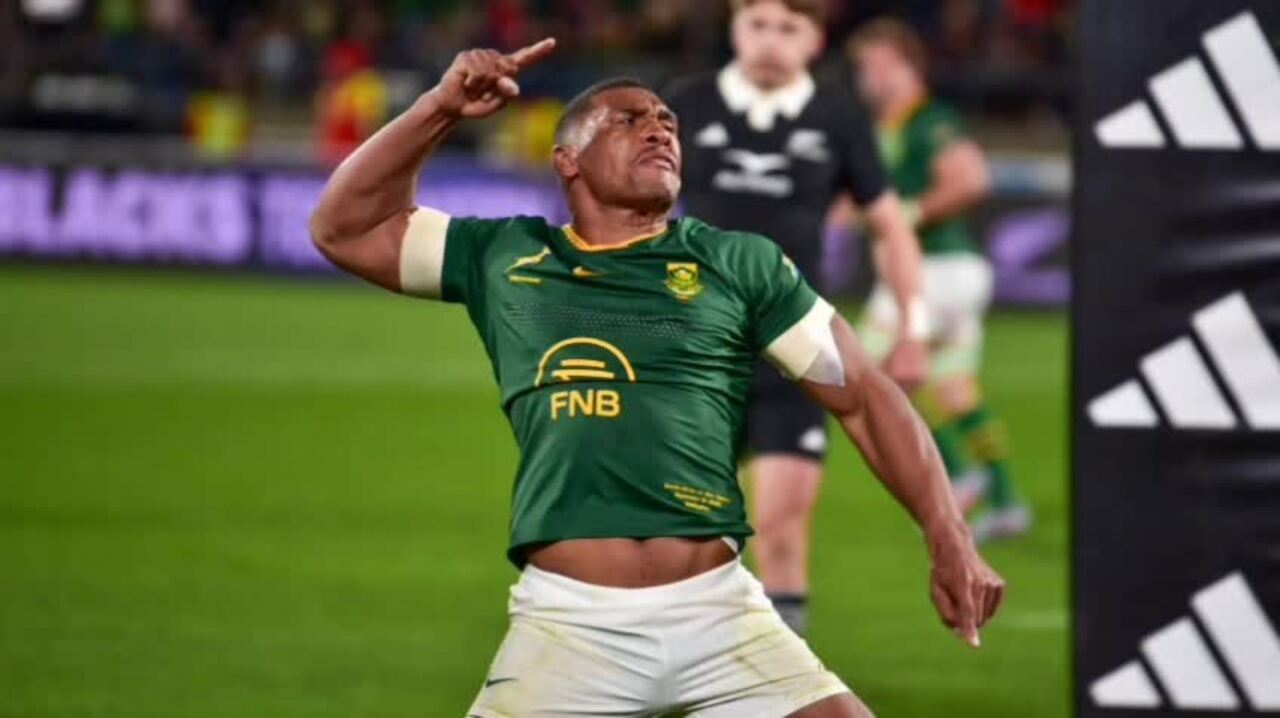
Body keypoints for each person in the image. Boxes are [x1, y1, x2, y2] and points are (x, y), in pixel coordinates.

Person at [310, 37, 1005, 717]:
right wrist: (439, 108)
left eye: (667, 121)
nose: (658, 129)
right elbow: (344, 229)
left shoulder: (740, 263)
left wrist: (948, 533)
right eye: (627, 119)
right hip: (569, 628)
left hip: (721, 614)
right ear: (567, 160)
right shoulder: (503, 255)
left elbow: (865, 397)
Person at [663, 0, 930, 635]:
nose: (770, 41)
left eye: (789, 28)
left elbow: (891, 227)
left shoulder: (838, 116)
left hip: (795, 347)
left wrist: (914, 329)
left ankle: (780, 679)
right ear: (735, 27)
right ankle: (677, 664)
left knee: (782, 529)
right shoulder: (686, 103)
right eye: (757, 24)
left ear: (816, 40)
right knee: (681, 531)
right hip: (694, 347)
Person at [848, 18, 1030, 541]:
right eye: (865, 66)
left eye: (880, 64)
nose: (870, 76)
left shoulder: (929, 120)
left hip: (935, 271)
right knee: (954, 390)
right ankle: (1007, 501)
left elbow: (972, 178)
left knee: (863, 372)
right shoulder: (887, 127)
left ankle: (955, 472)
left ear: (910, 67)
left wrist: (906, 215)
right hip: (952, 274)